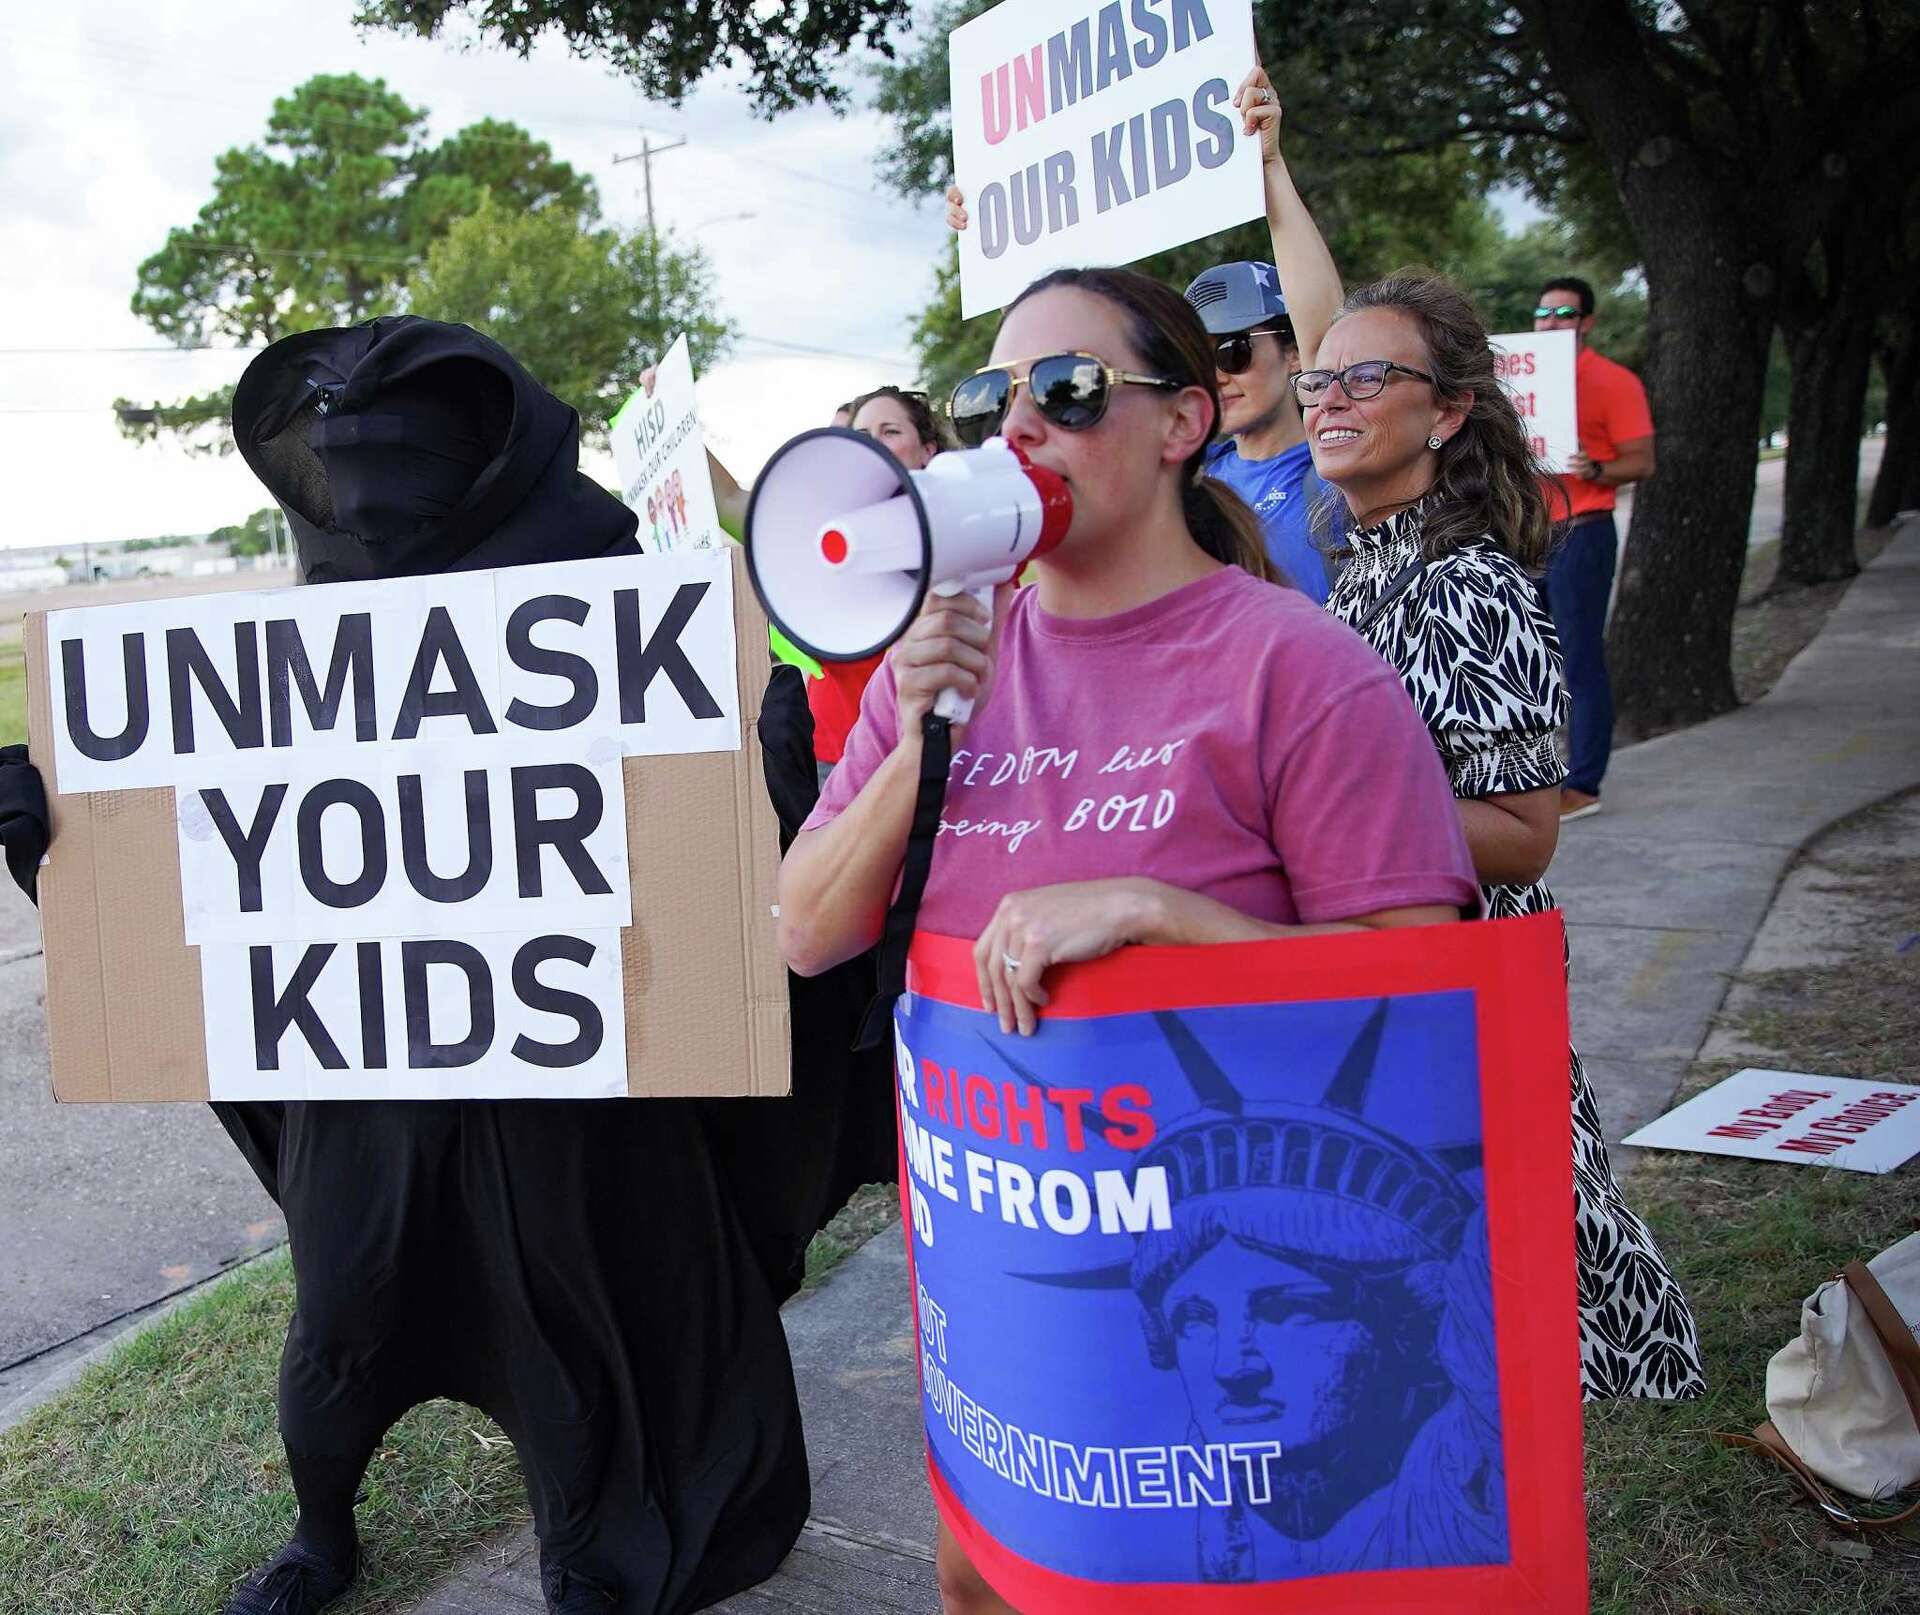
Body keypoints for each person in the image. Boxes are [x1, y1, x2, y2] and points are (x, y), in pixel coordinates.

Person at [7, 317, 815, 1615]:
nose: (369, 493)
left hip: (566, 1067)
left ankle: (585, 1541)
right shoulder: (299, 648)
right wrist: (68, 842)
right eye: (339, 464)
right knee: (338, 1321)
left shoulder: (610, 594)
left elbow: (697, 859)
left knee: (565, 1321)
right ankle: (324, 1532)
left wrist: (767, 783)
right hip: (367, 1076)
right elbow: (217, 882)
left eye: (400, 456)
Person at [776, 262, 1482, 1613]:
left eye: (1067, 389)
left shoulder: (1301, 670)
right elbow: (809, 928)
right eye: (990, 400)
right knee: (990, 1575)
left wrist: (1161, 918)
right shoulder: (940, 656)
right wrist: (921, 738)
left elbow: (1428, 1004)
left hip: (1237, 1302)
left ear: (1183, 424)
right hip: (1008, 1283)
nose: (1017, 430)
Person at [1306, 273, 1705, 1404]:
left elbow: (1526, 836)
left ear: (1446, 413)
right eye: (1321, 378)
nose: (1334, 397)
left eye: (1370, 376)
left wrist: (1312, 815)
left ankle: (1608, 1373)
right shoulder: (1371, 563)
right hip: (1403, 955)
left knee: (1531, 1198)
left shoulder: (1469, 582)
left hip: (1473, 962)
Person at [947, 65, 1342, 601]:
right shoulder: (1193, 479)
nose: (1218, 374)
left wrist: (1268, 167)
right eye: (1202, 359)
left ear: (1293, 354)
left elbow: (1328, 337)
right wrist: (993, 236)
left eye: (1234, 351)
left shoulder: (1336, 465)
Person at [1535, 276, 1656, 821]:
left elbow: (1642, 462)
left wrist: (1598, 468)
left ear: (1587, 323)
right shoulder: (1520, 377)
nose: (1551, 322)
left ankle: (1583, 784)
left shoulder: (1612, 381)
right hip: (1529, 535)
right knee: (1525, 660)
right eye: (1543, 313)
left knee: (1579, 661)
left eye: (1564, 313)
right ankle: (1532, 775)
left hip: (1583, 529)